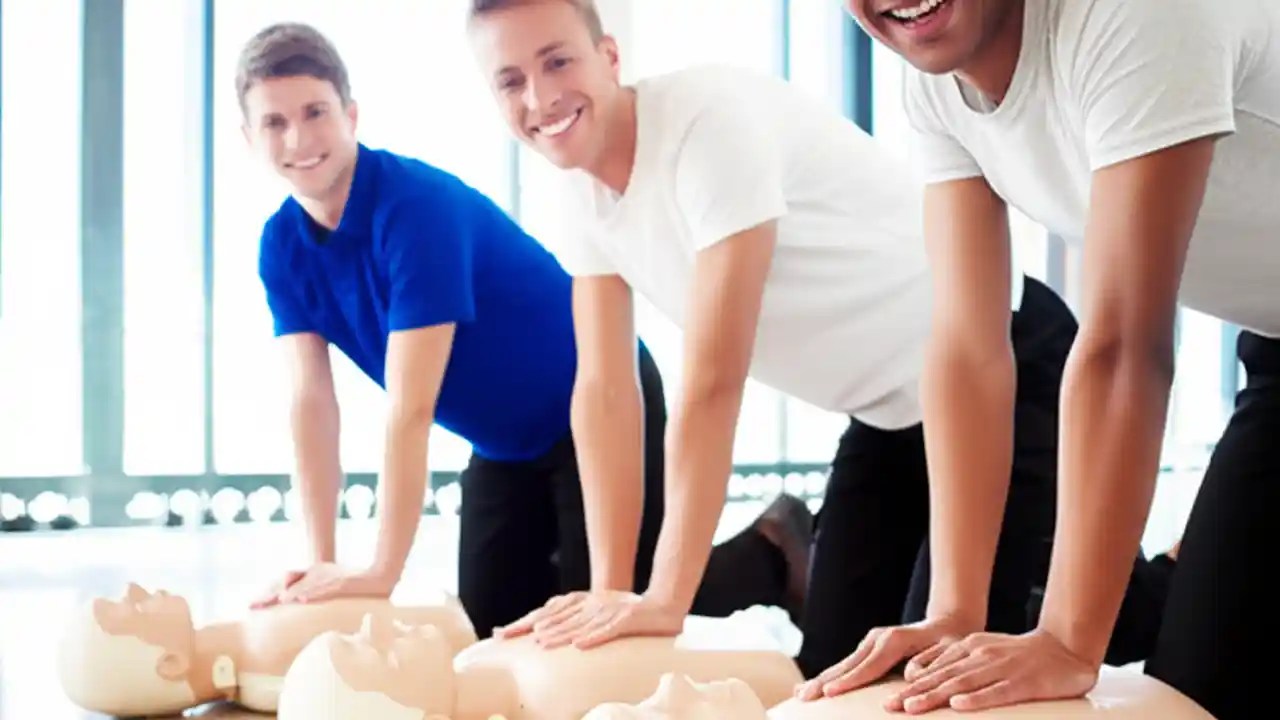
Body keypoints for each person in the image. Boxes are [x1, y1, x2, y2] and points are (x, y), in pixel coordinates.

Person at [461, 0, 1135, 681]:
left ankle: (1178, 578)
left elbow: (712, 384)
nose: (541, 96)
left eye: (557, 61)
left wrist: (668, 596)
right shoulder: (581, 193)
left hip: (1012, 369)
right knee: (833, 668)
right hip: (889, 420)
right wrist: (612, 587)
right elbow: (605, 391)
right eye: (510, 80)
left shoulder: (704, 123)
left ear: (608, 56)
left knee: (991, 656)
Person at [233, 21, 811, 642]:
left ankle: (774, 552)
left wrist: (380, 571)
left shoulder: (412, 210)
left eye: (315, 112)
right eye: (274, 122)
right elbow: (311, 403)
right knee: (496, 628)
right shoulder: (281, 245)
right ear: (249, 137)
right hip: (504, 443)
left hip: (594, 403)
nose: (299, 137)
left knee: (625, 598)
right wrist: (321, 561)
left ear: (350, 114)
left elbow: (410, 407)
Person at [813, 1, 1279, 717]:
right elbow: (969, 347)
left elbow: (1125, 344)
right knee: (1198, 687)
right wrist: (955, 608)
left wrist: (1067, 639)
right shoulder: (937, 85)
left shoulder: (1133, 16)